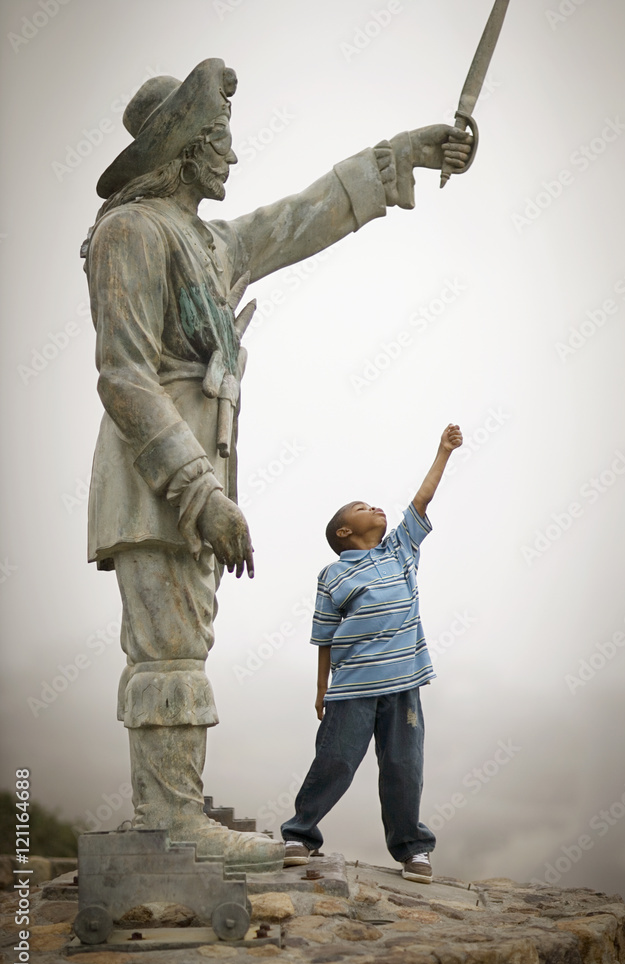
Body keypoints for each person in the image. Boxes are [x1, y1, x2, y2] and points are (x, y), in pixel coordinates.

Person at [84, 56, 473, 872]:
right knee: (165, 652)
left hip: (194, 480)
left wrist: (407, 153)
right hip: (157, 481)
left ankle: (175, 813)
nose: (230, 154)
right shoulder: (131, 231)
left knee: (182, 643)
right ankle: (169, 827)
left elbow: (309, 212)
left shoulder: (210, 242)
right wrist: (198, 491)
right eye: (218, 139)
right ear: (184, 147)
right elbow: (122, 375)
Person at [281, 424, 463, 882]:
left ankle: (412, 849)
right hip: (352, 689)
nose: (376, 507)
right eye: (363, 508)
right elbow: (323, 636)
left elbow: (421, 501)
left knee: (404, 766)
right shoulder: (333, 575)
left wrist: (442, 452)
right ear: (344, 530)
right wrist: (322, 687)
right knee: (336, 761)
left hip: (403, 686)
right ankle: (300, 835)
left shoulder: (399, 551)